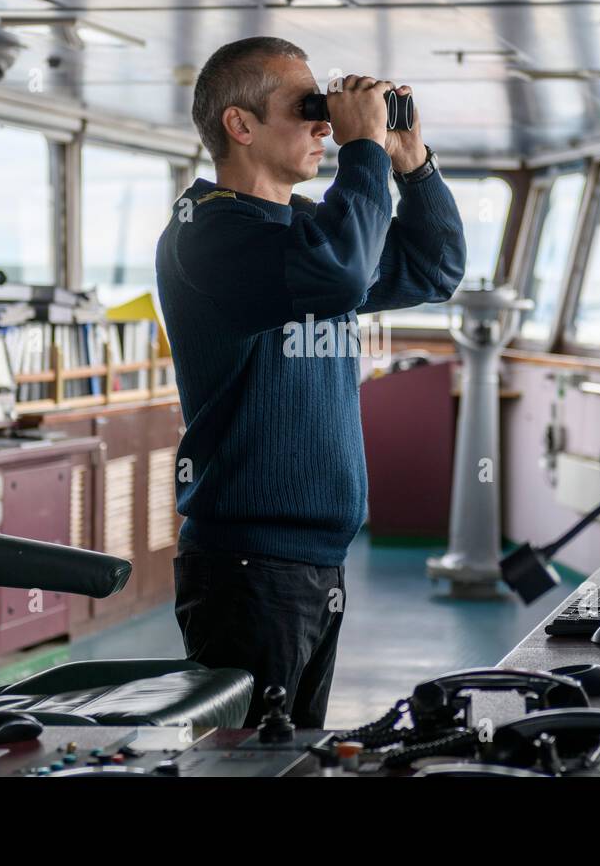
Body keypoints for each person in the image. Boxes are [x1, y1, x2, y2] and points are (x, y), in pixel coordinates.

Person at [155, 36, 466, 728]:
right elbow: (342, 271)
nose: (326, 125)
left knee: (294, 759)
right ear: (240, 125)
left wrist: (410, 164)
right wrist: (362, 150)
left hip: (314, 563)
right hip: (245, 568)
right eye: (307, 109)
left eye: (326, 112)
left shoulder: (305, 230)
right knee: (244, 772)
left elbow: (432, 271)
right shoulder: (208, 234)